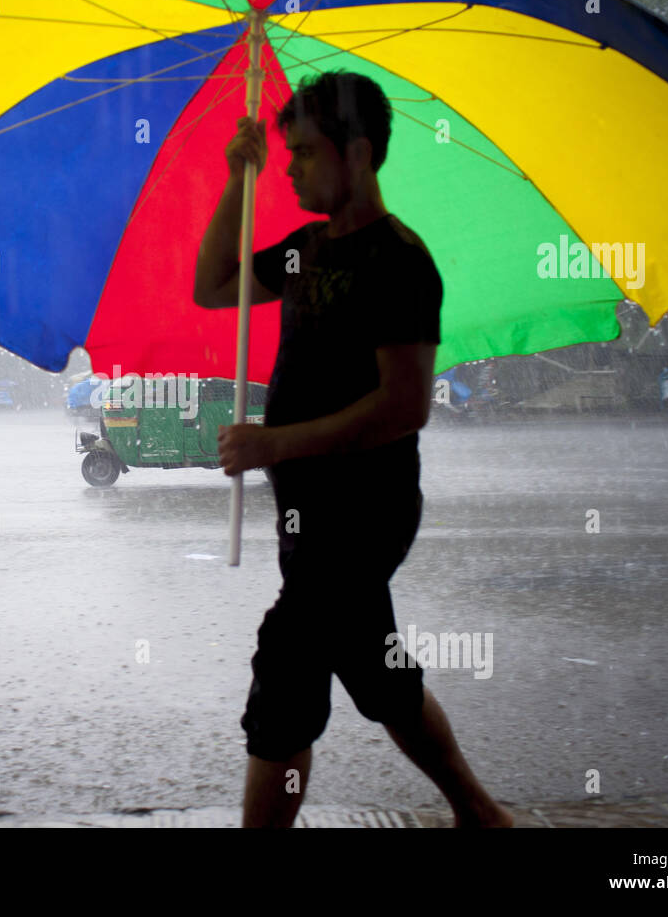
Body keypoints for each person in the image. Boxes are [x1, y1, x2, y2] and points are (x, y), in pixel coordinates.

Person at [194, 71, 512, 828]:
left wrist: (276, 442)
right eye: (288, 153)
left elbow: (404, 407)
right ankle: (481, 813)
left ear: (359, 154)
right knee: (379, 674)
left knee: (287, 668)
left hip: (364, 513)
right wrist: (242, 177)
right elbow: (216, 286)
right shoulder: (306, 252)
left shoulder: (398, 260)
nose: (293, 167)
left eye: (304, 152)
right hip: (306, 514)